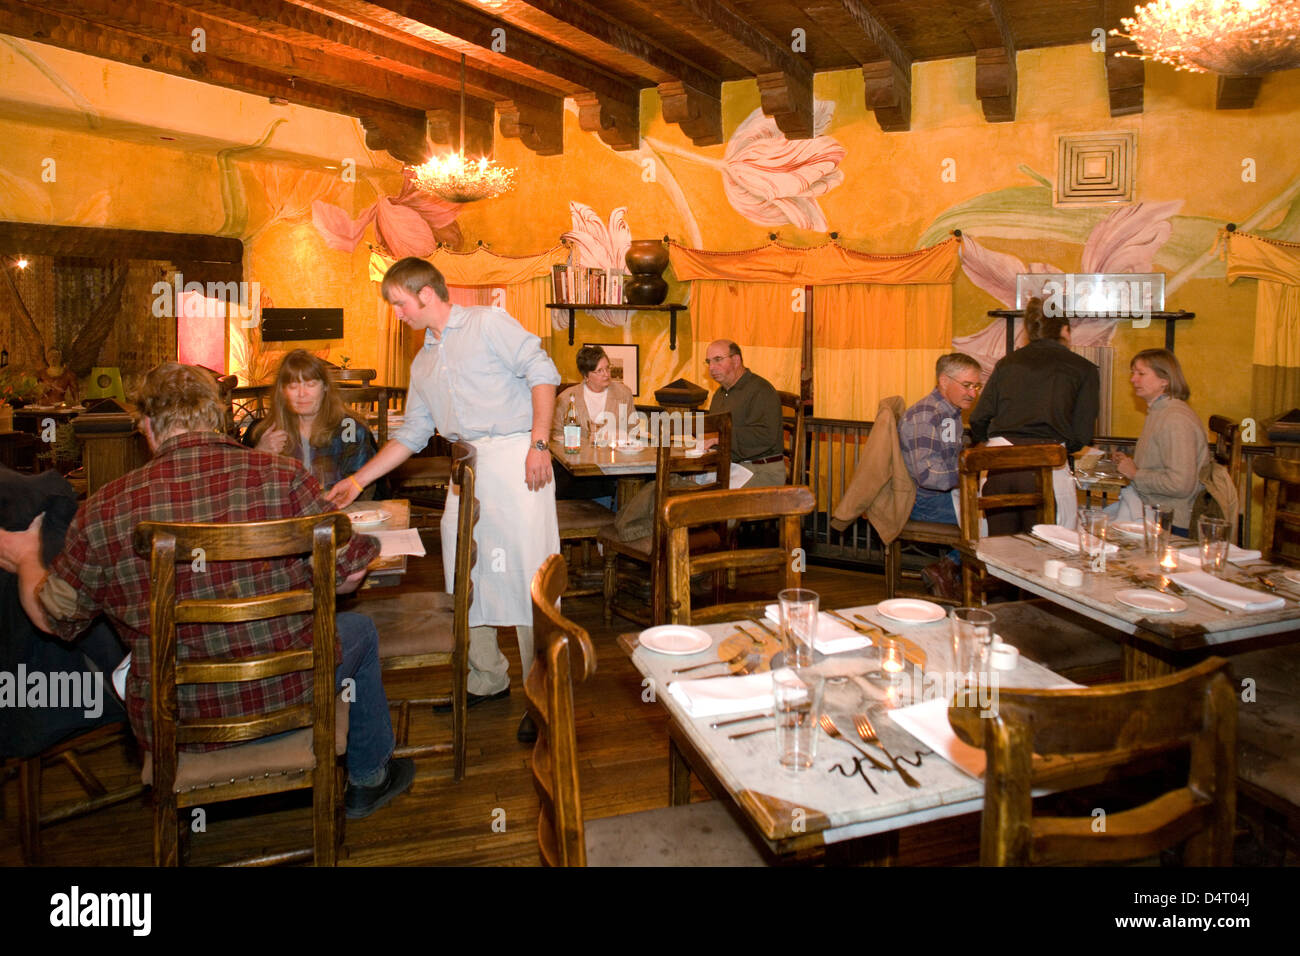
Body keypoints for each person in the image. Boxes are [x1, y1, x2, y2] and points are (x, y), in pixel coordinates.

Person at [0, 363, 413, 819]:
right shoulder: (285, 479)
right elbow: (351, 574)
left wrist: (24, 560)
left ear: (148, 428)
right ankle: (370, 779)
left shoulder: (104, 510)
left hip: (179, 716)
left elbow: (55, 619)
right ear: (218, 417)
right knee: (359, 630)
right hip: (289, 692)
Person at [326, 257, 560, 745]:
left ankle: (545, 695)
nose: (397, 314)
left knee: (525, 576)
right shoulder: (423, 360)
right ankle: (486, 677)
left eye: (398, 303)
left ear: (426, 294)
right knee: (465, 575)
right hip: (465, 467)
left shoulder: (487, 323)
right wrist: (356, 479)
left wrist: (539, 444)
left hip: (518, 459)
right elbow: (412, 432)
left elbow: (543, 371)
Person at [970, 298, 1100, 534]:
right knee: (1048, 552)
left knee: (1000, 551)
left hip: (1000, 467)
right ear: (1064, 330)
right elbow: (1082, 435)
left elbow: (979, 418)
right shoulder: (1085, 369)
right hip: (1047, 467)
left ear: (1030, 331)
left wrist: (991, 442)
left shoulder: (1006, 364)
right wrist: (1057, 446)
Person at [898, 352, 983, 598]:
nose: (973, 393)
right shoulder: (927, 415)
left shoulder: (950, 413)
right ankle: (951, 569)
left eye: (976, 386)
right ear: (944, 382)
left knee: (998, 513)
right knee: (996, 518)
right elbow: (929, 475)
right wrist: (970, 473)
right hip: (923, 502)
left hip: (938, 498)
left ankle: (948, 569)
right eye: (966, 385)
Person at [249, 349, 379, 497]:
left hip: (338, 514)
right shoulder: (265, 433)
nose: (302, 393)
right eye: (293, 386)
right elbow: (248, 492)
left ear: (324, 387)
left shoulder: (349, 429)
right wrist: (260, 454)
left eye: (310, 384)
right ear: (283, 392)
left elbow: (363, 490)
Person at [1111, 349, 1209, 535]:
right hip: (1157, 514)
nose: (1133, 379)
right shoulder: (1160, 412)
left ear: (1165, 380)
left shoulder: (1175, 418)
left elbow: (1180, 484)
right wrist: (1129, 463)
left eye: (1141, 373)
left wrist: (1135, 473)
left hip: (1172, 523)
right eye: (1133, 373)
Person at [551, 345, 634, 503]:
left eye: (607, 368)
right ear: (586, 375)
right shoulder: (565, 398)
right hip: (577, 470)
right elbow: (556, 437)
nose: (606, 374)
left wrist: (620, 438)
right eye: (599, 371)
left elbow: (632, 430)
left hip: (614, 468)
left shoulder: (624, 394)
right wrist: (583, 444)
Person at [704, 339, 786, 488]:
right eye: (708, 362)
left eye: (718, 360)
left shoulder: (761, 390)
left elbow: (766, 435)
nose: (711, 368)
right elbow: (714, 435)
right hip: (731, 466)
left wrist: (721, 437)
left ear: (736, 360)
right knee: (681, 486)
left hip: (761, 470)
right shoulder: (719, 394)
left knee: (707, 500)